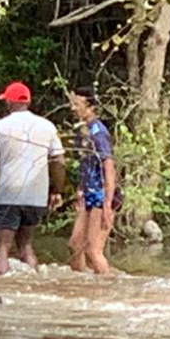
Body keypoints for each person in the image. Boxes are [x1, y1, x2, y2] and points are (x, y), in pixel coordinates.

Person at [0, 82, 66, 276]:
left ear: (9, 102)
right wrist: (57, 190)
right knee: (26, 246)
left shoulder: (0, 127)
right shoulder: (47, 127)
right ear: (28, 101)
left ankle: (4, 292)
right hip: (37, 197)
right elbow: (58, 160)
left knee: (1, 248)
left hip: (10, 195)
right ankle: (33, 285)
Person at [67, 87, 119, 276]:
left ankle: (107, 289)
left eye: (77, 104)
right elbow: (85, 164)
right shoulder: (82, 131)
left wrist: (107, 203)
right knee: (75, 245)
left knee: (93, 250)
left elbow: (109, 167)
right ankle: (82, 288)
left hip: (101, 194)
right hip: (88, 193)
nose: (73, 108)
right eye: (72, 104)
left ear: (90, 107)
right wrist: (80, 190)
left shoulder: (98, 132)